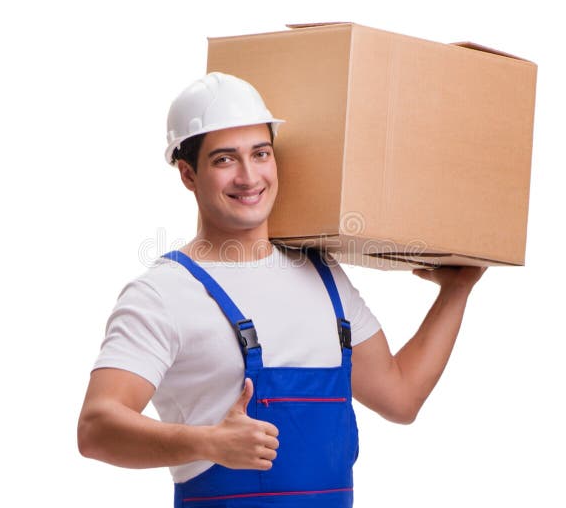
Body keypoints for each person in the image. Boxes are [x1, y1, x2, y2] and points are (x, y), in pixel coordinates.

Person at [77, 72, 486, 507]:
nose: (248, 176)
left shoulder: (324, 277)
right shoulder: (163, 294)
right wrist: (208, 443)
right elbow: (97, 427)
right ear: (187, 175)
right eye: (224, 160)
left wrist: (456, 290)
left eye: (261, 153)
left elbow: (401, 398)